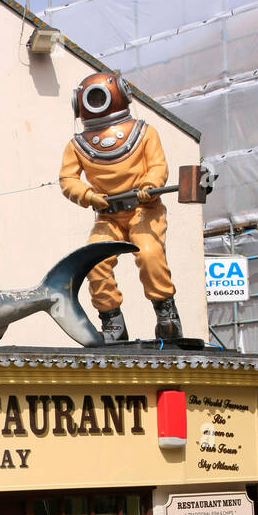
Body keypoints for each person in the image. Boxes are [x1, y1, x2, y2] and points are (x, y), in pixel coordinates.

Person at [59, 72, 183, 343]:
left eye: (99, 96)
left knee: (150, 253)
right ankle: (111, 318)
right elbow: (68, 179)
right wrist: (89, 195)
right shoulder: (78, 145)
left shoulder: (144, 133)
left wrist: (149, 185)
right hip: (108, 215)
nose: (95, 102)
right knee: (95, 260)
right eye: (90, 97)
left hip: (144, 211)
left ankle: (166, 314)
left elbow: (158, 166)